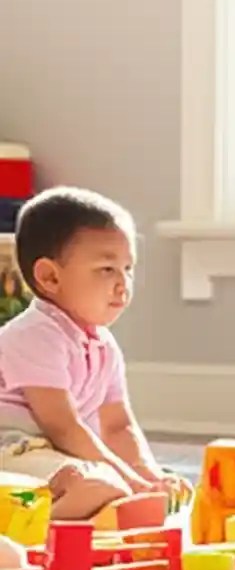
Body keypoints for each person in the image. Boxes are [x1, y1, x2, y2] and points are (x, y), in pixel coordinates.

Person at [0, 187, 181, 519]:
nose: (123, 283)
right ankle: (25, 528)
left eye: (128, 268)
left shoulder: (103, 345)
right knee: (102, 486)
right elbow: (63, 427)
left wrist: (149, 475)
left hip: (57, 455)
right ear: (50, 277)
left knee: (112, 488)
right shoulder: (35, 335)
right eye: (106, 269)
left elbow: (117, 426)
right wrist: (129, 480)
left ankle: (70, 517)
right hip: (12, 450)